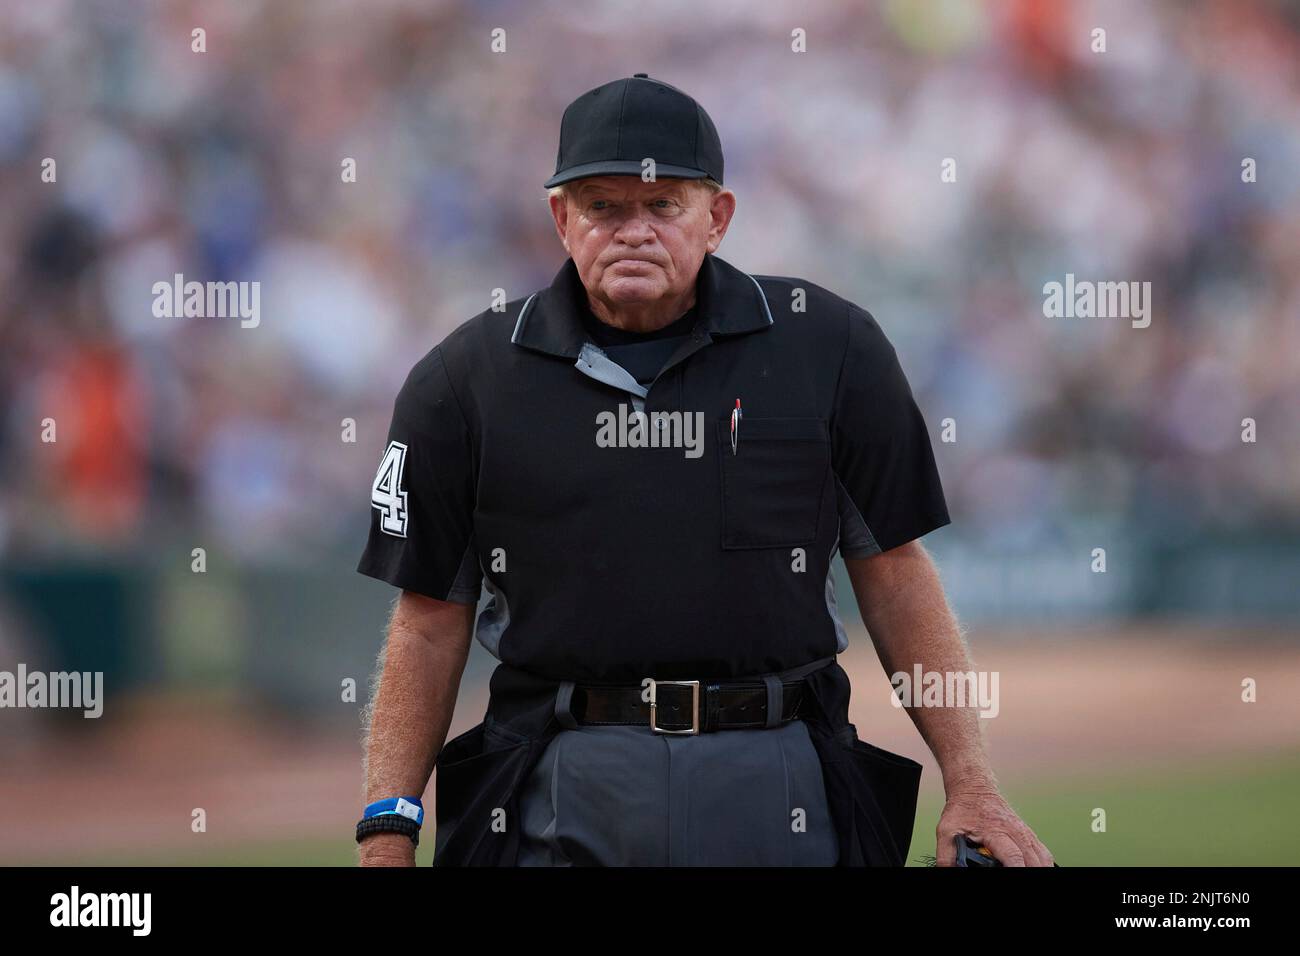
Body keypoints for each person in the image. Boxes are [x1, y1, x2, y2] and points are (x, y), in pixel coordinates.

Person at [354, 74, 1054, 867]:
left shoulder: (830, 348)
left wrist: (972, 780)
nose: (633, 231)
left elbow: (895, 572)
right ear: (561, 219)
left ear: (716, 217)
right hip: (556, 777)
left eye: (663, 205)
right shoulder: (463, 380)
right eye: (603, 206)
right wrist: (388, 826)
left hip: (781, 771)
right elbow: (426, 619)